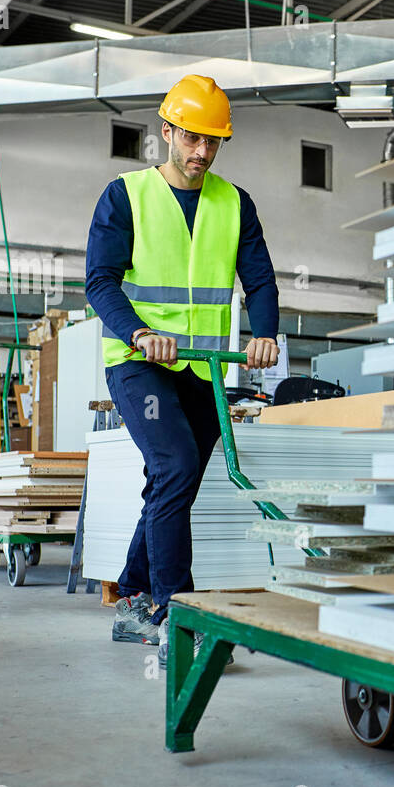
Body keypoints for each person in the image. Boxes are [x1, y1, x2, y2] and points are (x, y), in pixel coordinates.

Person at [85, 74, 280, 666]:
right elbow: (100, 282)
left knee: (176, 481)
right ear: (166, 132)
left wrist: (264, 334)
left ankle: (132, 598)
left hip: (203, 368)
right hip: (140, 364)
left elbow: (262, 280)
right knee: (176, 465)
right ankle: (178, 614)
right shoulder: (125, 195)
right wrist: (140, 334)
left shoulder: (234, 202)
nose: (201, 153)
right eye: (192, 138)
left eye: (213, 142)